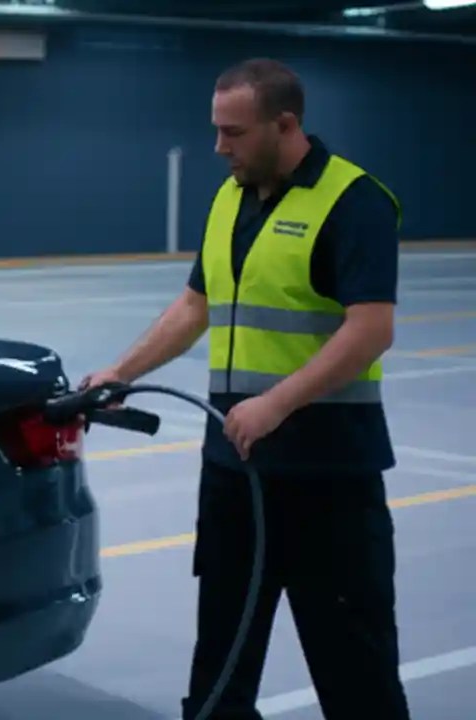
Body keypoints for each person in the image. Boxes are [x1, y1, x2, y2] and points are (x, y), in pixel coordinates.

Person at [80, 58, 412, 719]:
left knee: (355, 669)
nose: (218, 147)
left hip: (329, 478)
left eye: (233, 133)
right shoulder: (230, 197)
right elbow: (194, 306)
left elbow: (371, 330)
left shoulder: (354, 202)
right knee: (221, 665)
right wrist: (123, 372)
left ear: (284, 124)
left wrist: (277, 402)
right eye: (216, 130)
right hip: (236, 470)